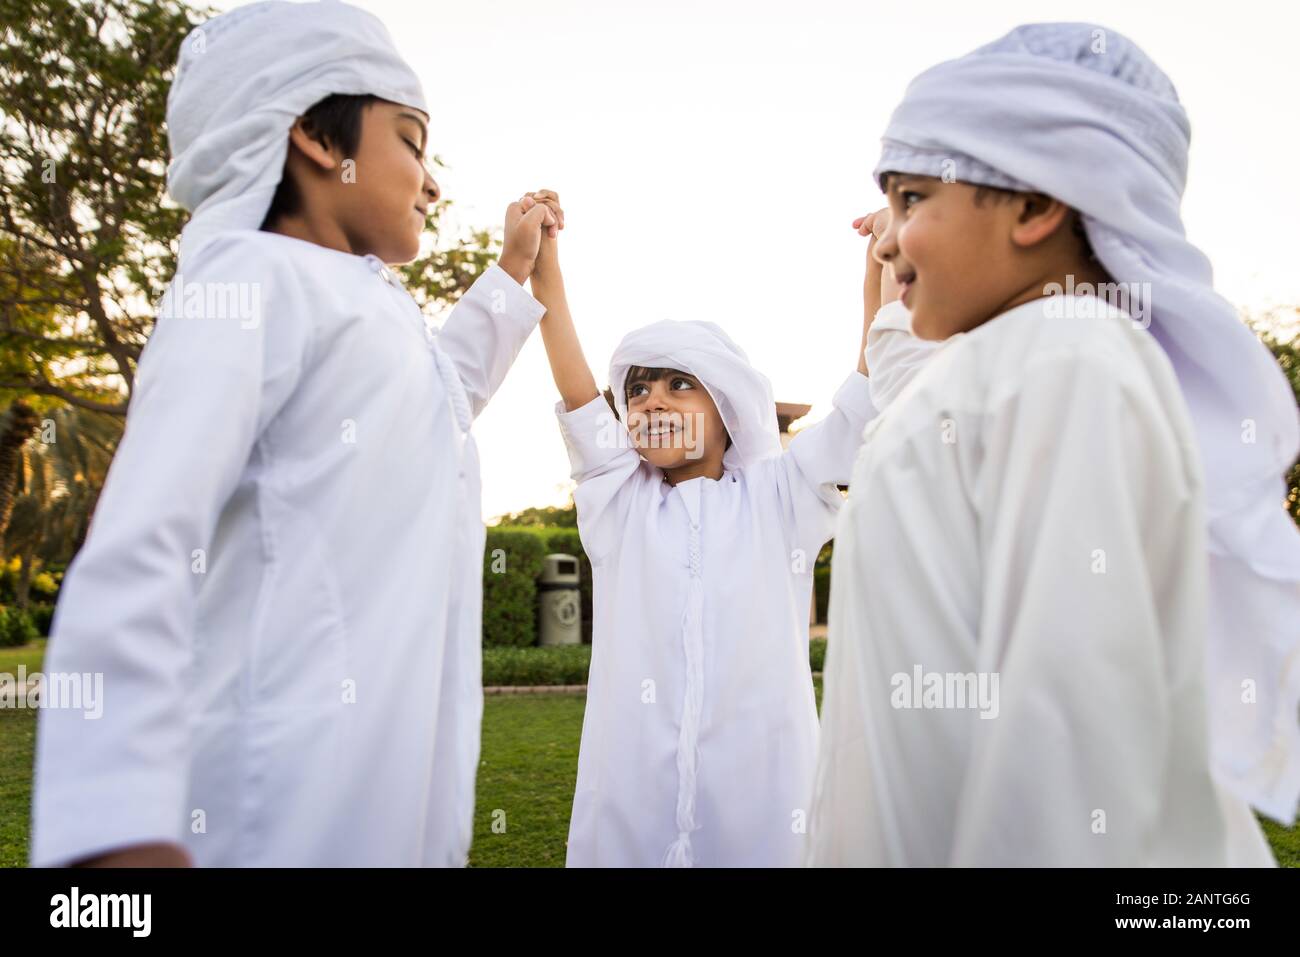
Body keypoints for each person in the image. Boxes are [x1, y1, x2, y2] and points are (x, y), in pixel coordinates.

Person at [31, 0, 557, 867]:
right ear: (318, 134)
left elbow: (438, 392)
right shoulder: (248, 280)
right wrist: (113, 830)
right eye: (413, 142)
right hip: (267, 805)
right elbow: (143, 541)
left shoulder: (360, 301)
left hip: (381, 806)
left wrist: (511, 270)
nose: (431, 182)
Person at [809, 22, 1297, 866]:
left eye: (913, 198)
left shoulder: (1071, 359)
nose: (887, 239)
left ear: (1035, 205)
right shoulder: (991, 367)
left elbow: (1065, 734)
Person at [525, 190, 878, 866]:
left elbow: (864, 399)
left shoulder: (782, 497)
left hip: (766, 806)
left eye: (677, 384)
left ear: (726, 409)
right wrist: (547, 270)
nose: (650, 397)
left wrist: (879, 275)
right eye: (637, 387)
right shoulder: (618, 502)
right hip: (630, 804)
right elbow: (575, 390)